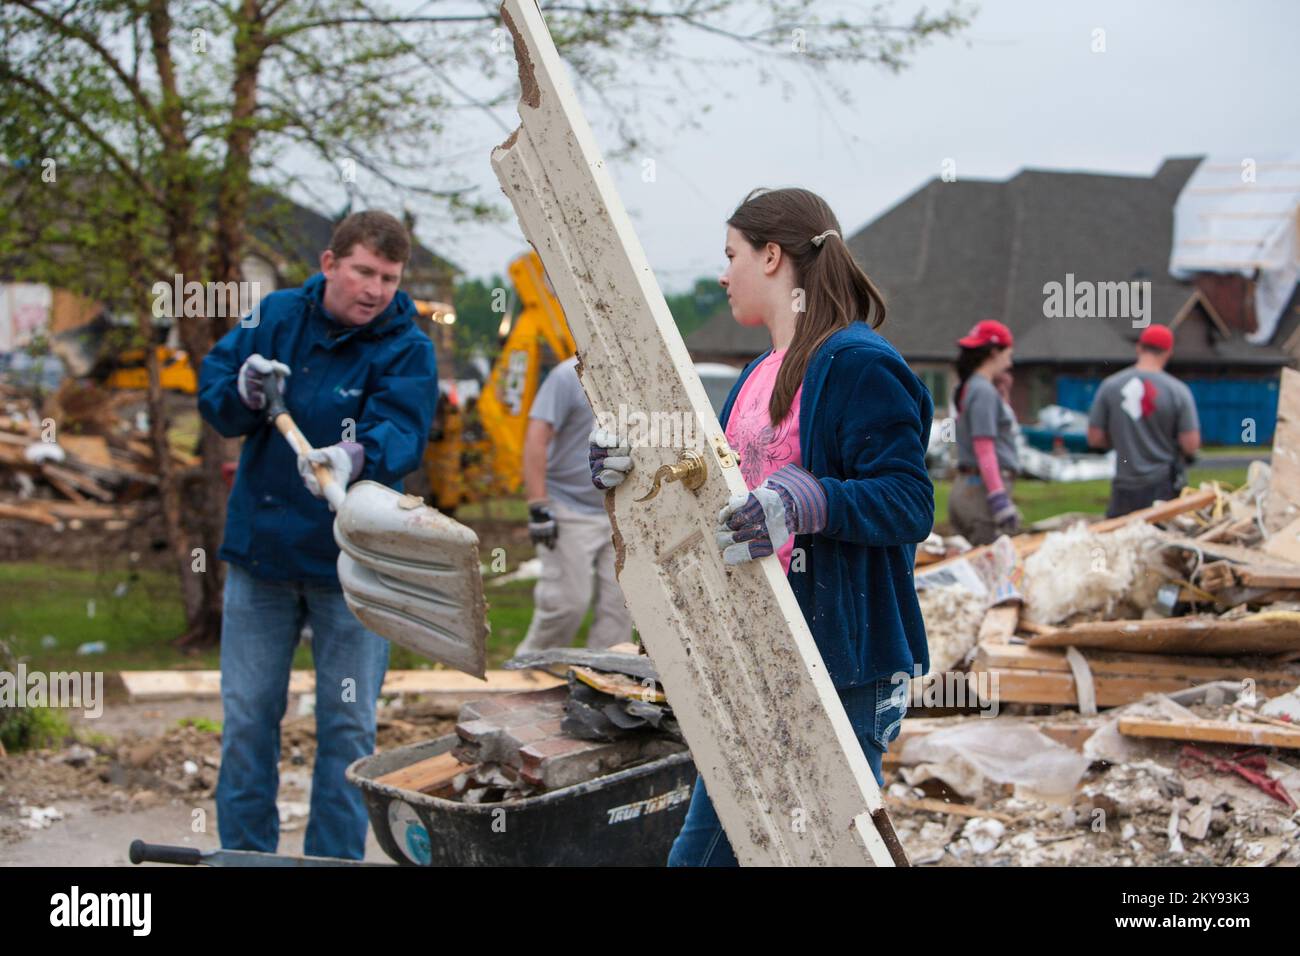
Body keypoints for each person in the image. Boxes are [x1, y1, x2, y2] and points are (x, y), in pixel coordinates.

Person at [591, 187, 934, 866]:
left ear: (772, 256)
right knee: (703, 856)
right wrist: (629, 472)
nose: (722, 275)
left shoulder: (858, 363)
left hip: (841, 664)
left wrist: (809, 503)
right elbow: (717, 501)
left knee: (831, 852)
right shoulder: (756, 375)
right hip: (752, 653)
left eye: (732, 255)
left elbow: (908, 500)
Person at [198, 211, 438, 860]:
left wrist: (354, 457)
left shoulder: (407, 346)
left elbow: (404, 433)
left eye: (389, 278)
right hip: (262, 560)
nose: (376, 289)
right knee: (248, 720)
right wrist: (243, 392)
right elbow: (215, 390)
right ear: (330, 264)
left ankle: (333, 861)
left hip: (353, 571)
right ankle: (247, 860)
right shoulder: (276, 315)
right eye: (363, 271)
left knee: (348, 725)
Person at [517, 356, 632, 653]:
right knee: (566, 604)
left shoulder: (635, 373)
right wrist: (538, 505)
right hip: (568, 507)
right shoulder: (567, 376)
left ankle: (606, 684)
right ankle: (531, 674)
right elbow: (536, 438)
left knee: (621, 608)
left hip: (618, 511)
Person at [1087, 324, 1201, 517]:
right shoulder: (1178, 391)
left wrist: (1122, 439)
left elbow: (1095, 438)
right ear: (1168, 352)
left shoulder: (1110, 386)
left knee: (1122, 540)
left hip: (1124, 486)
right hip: (1163, 488)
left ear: (1139, 347)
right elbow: (1190, 444)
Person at [949, 320, 1021, 545]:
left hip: (969, 488)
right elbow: (985, 449)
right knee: (988, 572)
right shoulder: (983, 391)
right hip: (980, 494)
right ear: (994, 352)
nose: (1009, 361)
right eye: (1008, 353)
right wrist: (998, 498)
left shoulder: (971, 387)